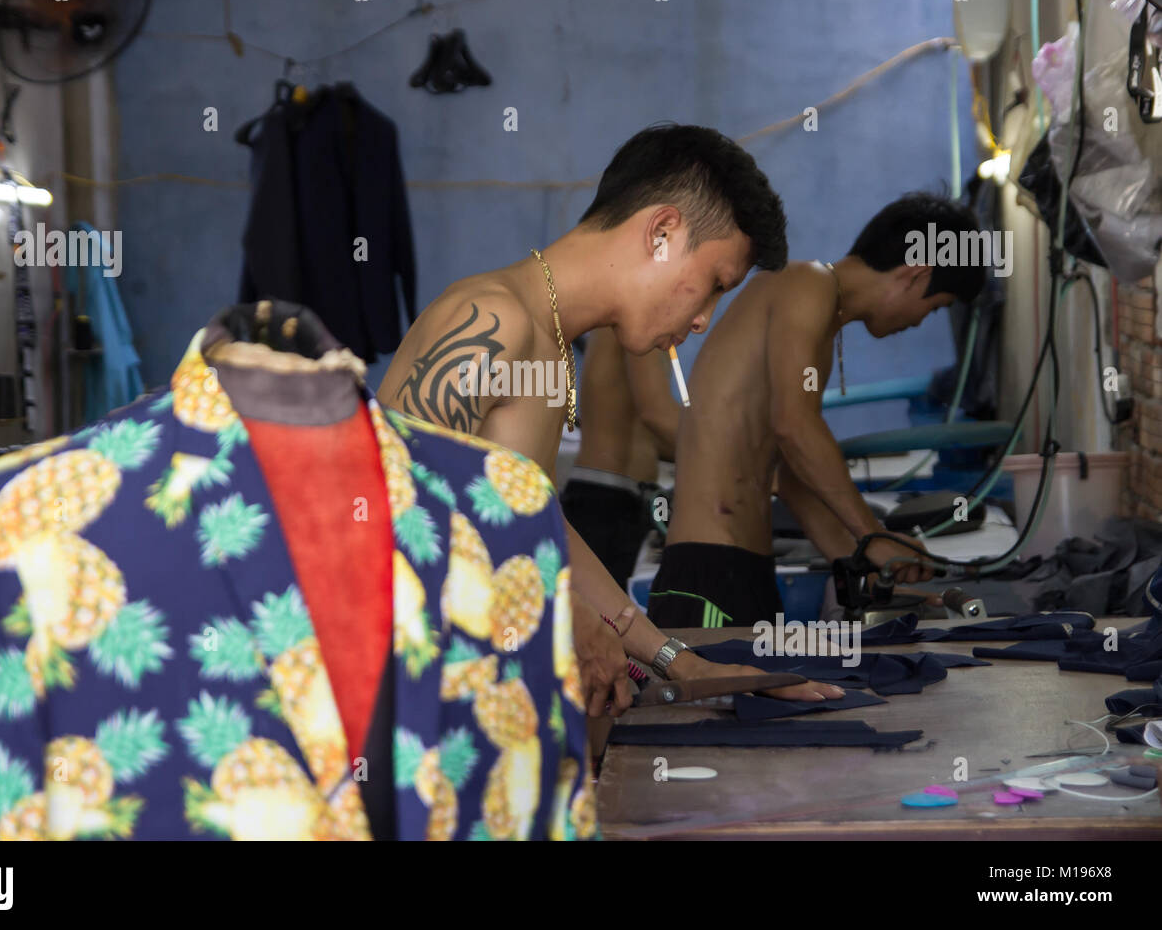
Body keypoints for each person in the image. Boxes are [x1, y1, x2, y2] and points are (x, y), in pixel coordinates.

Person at [380, 122, 846, 713]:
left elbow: (536, 528)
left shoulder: (549, 341)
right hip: (414, 723)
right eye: (713, 285)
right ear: (662, 231)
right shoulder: (490, 322)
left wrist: (680, 660)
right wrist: (563, 613)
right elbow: (392, 521)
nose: (704, 318)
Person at [649, 192, 987, 629]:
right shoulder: (807, 284)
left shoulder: (820, 321)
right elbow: (796, 426)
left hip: (743, 571)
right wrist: (874, 535)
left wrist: (864, 563)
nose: (921, 323)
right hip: (709, 573)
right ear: (916, 275)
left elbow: (793, 480)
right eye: (934, 307)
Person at [561, 328, 679, 589]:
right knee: (612, 624)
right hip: (606, 503)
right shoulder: (641, 319)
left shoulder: (627, 327)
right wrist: (732, 458)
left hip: (613, 498)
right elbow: (658, 415)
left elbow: (651, 434)